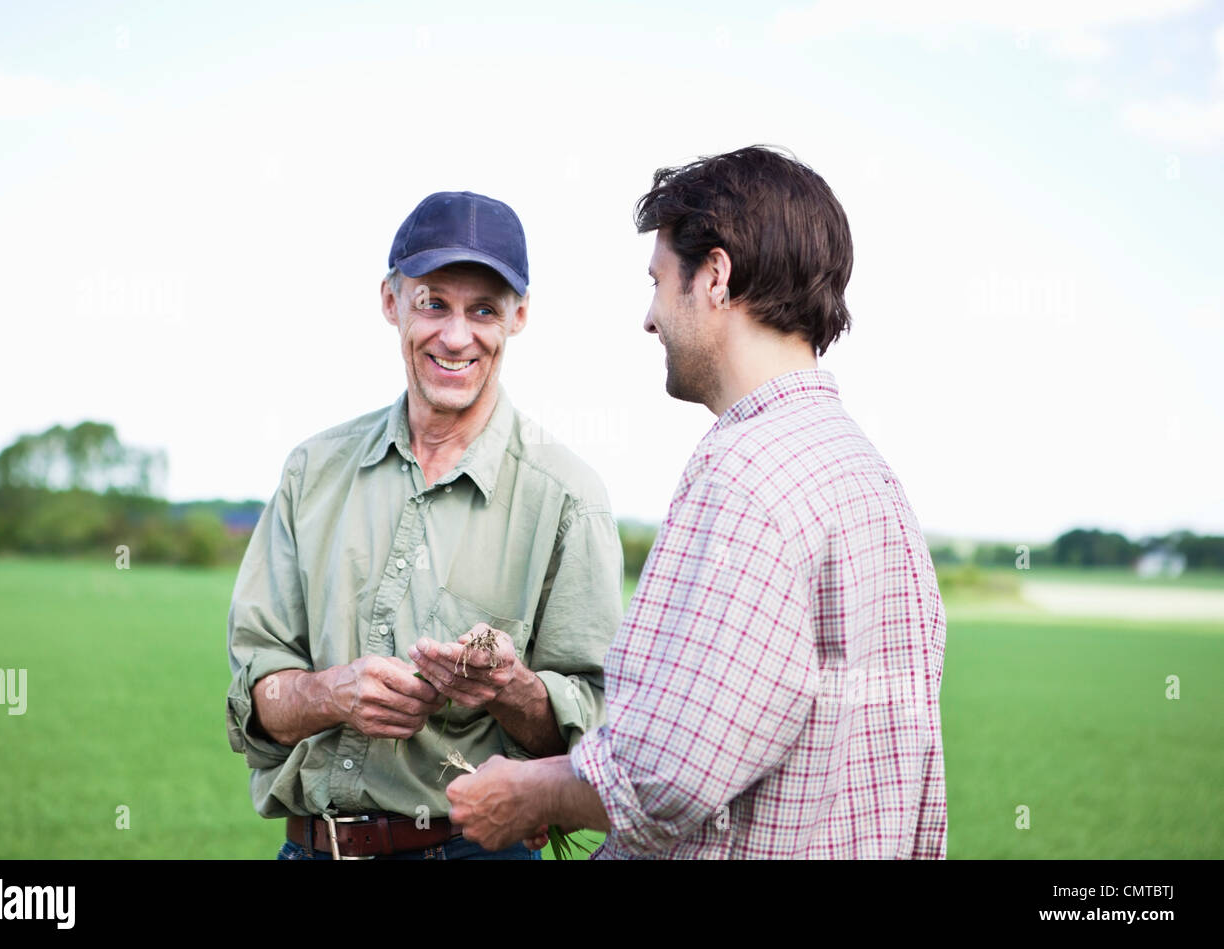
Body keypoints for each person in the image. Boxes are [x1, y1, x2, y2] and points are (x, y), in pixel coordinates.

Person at [445, 146, 949, 859]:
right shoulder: (871, 477)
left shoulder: (742, 471)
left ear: (713, 276)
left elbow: (666, 771)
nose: (649, 318)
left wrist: (529, 791)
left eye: (657, 280)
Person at [225, 190, 623, 860]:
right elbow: (255, 702)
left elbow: (596, 742)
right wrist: (330, 693)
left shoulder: (569, 497)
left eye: (483, 310)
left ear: (518, 316)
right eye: (434, 302)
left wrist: (512, 689)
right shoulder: (311, 472)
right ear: (391, 301)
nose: (457, 335)